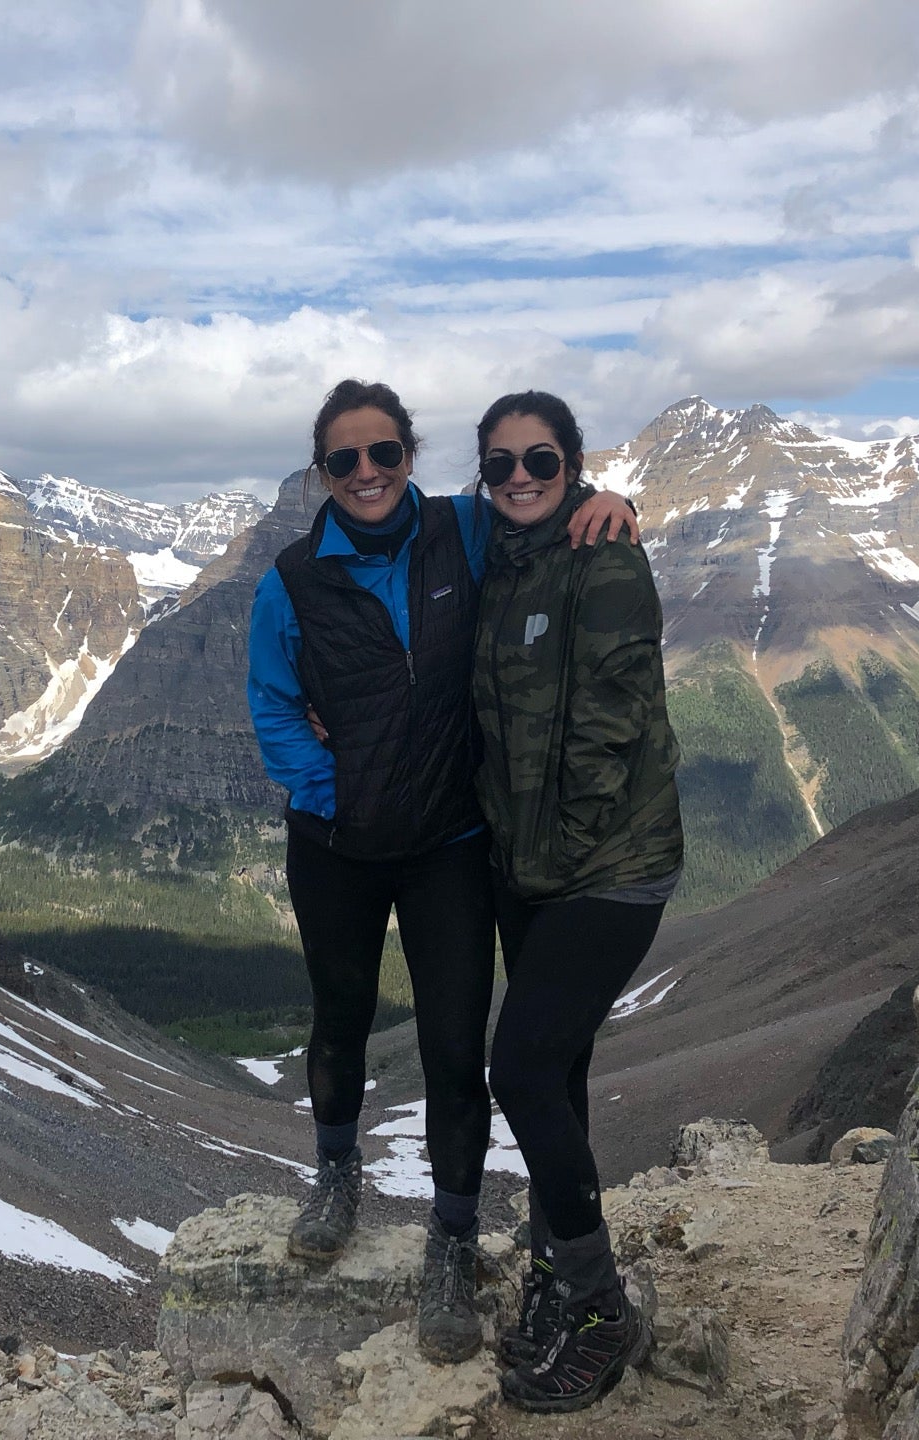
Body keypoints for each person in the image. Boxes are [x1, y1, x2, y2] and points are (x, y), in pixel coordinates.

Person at [246, 379, 637, 1364]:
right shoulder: (288, 582)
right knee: (339, 1014)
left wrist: (618, 502)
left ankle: (452, 1246)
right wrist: (335, 794)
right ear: (323, 473)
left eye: (385, 454)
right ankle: (338, 1177)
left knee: (459, 1052)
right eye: (346, 461)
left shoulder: (463, 531)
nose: (368, 474)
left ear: (411, 458)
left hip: (449, 847)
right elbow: (275, 708)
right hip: (337, 845)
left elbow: (541, 508)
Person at [468, 390, 683, 1411]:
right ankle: (559, 1264)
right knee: (561, 1066)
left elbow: (610, 724)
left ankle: (600, 1310)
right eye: (502, 465)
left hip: (607, 869)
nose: (520, 479)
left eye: (541, 463)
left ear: (572, 467)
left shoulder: (606, 557)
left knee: (518, 1065)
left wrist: (615, 504)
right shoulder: (499, 561)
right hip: (530, 869)